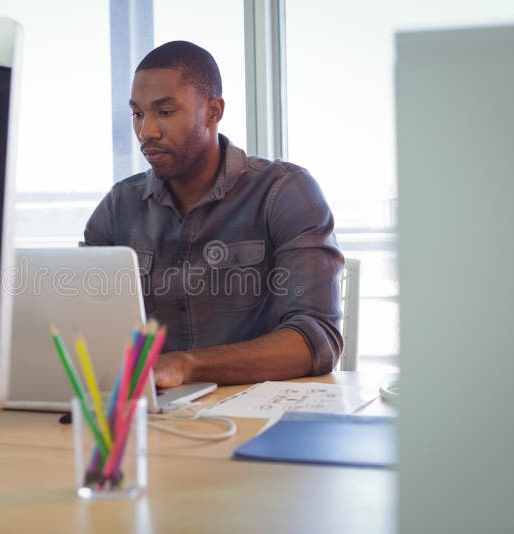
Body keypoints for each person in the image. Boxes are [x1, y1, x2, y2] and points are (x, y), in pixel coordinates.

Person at [83, 41, 344, 387]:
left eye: (165, 112)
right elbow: (78, 322)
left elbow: (316, 338)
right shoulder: (119, 207)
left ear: (213, 111)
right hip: (152, 415)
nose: (147, 132)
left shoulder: (284, 192)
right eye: (138, 114)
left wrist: (187, 366)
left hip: (258, 413)